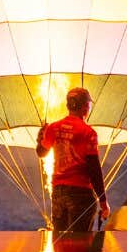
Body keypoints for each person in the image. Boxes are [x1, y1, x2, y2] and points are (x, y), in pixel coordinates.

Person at [36, 87, 109, 236]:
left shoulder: (53, 128)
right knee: (79, 244)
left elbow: (41, 152)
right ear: (85, 107)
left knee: (60, 240)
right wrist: (103, 201)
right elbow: (94, 169)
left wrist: (40, 137)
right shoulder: (88, 132)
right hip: (80, 193)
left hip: (58, 193)